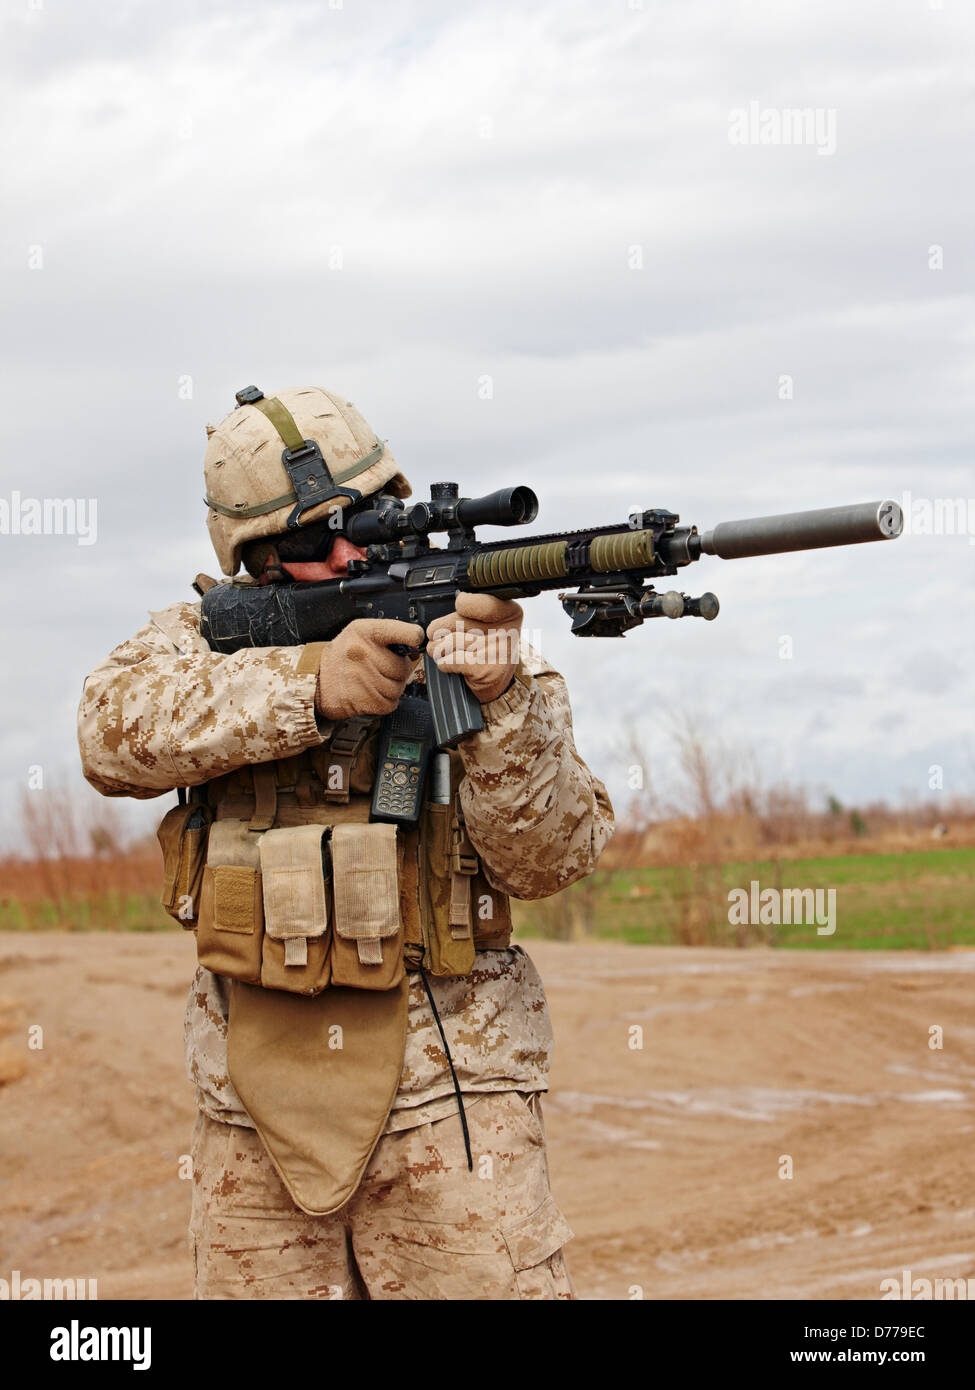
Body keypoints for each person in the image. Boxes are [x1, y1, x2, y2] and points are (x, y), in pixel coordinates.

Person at [77, 384, 614, 1300]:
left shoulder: (479, 647)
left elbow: (550, 860)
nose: (345, 550)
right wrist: (311, 685)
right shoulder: (206, 639)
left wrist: (499, 707)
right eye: (304, 543)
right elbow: (107, 734)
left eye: (364, 519)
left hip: (455, 1111)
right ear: (252, 559)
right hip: (253, 1113)